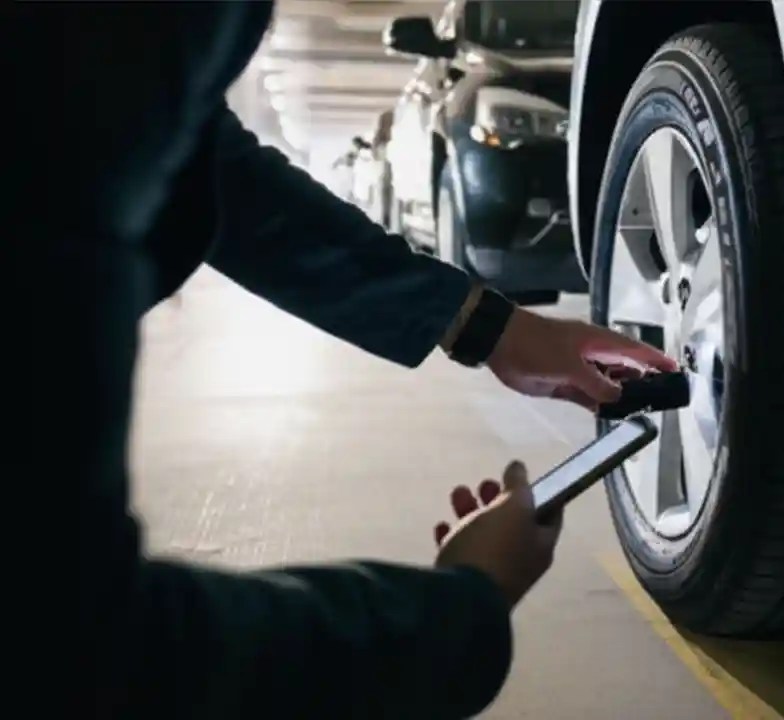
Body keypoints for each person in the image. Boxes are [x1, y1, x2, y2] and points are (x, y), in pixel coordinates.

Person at [25, 3, 676, 718]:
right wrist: (460, 609)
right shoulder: (59, 123)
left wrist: (491, 329)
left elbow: (219, 172)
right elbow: (82, 657)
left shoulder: (85, 88)